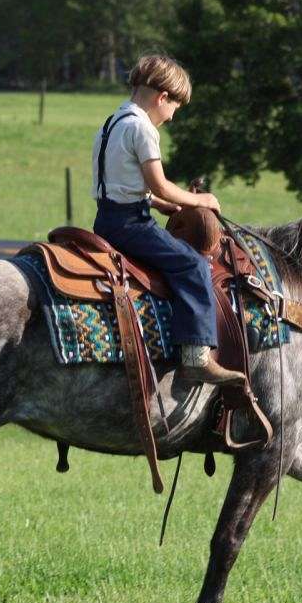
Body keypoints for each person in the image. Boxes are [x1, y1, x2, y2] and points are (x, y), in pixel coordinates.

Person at [91, 54, 244, 386]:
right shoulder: (142, 127)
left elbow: (121, 183)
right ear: (162, 97)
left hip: (105, 220)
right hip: (131, 225)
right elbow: (159, 182)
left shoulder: (111, 123)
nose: (171, 117)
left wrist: (158, 204)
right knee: (193, 265)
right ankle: (196, 357)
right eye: (174, 107)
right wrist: (200, 200)